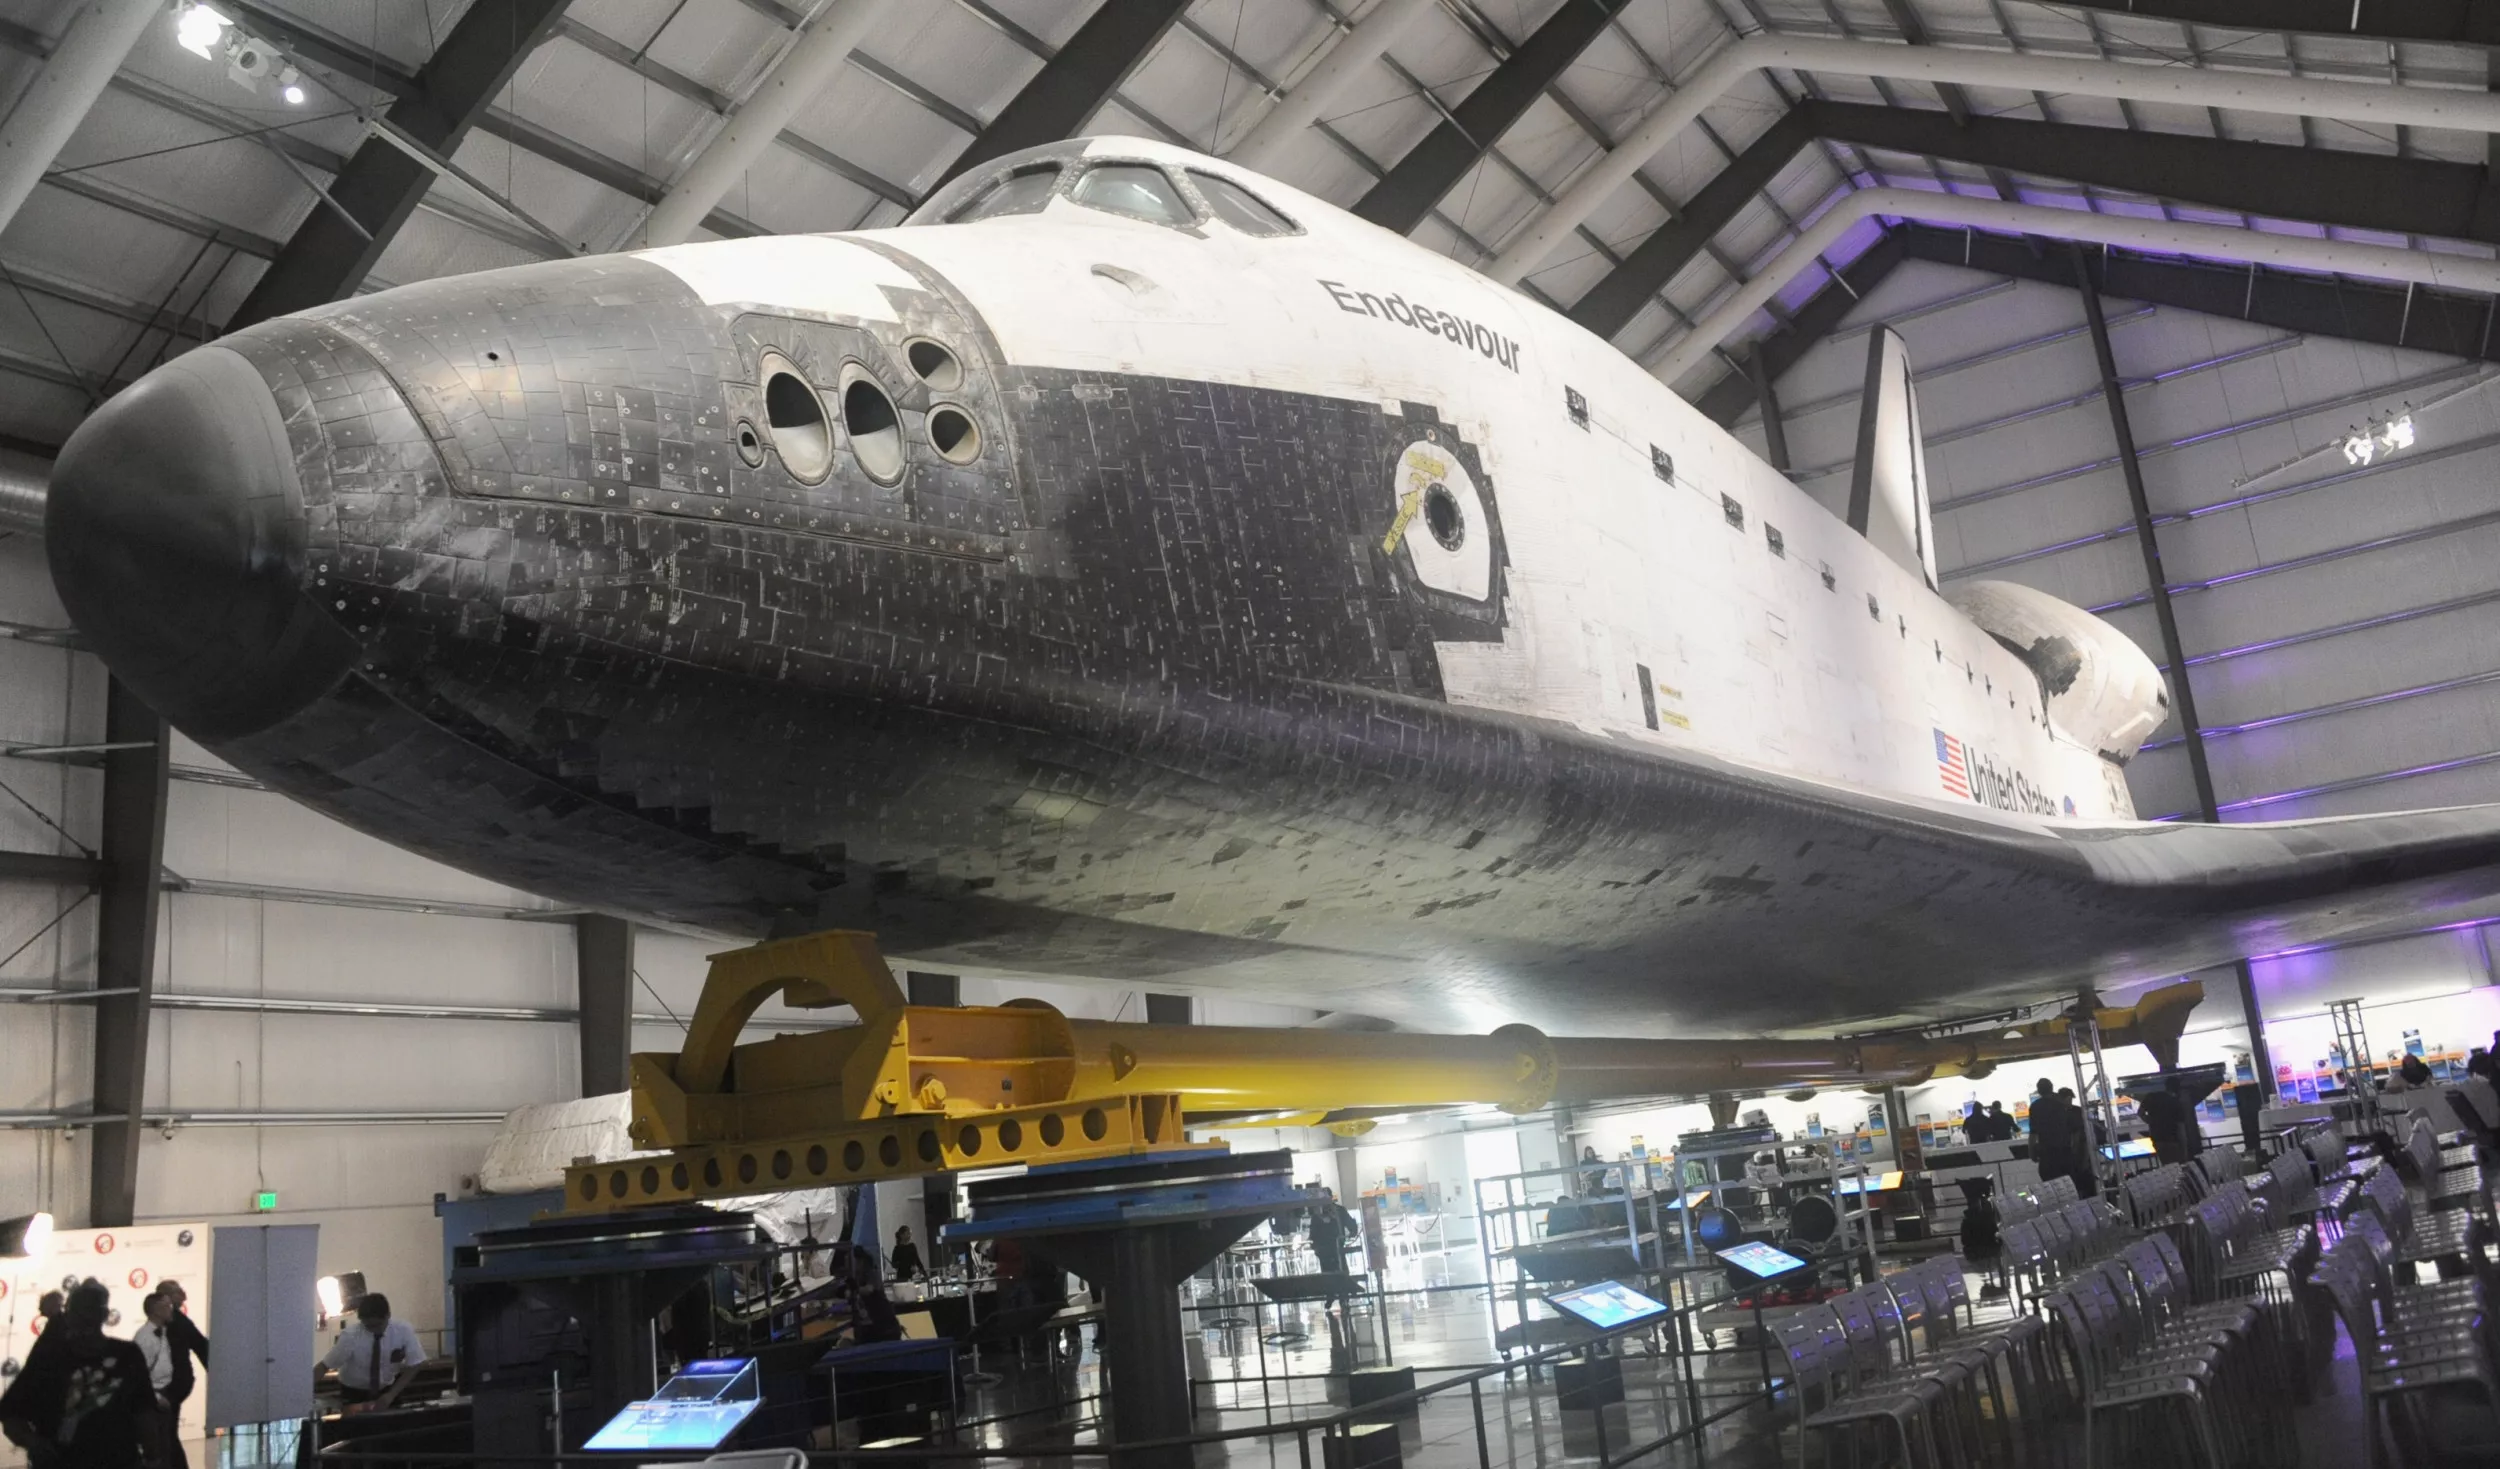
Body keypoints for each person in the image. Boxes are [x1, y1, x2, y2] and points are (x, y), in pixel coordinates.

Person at [0, 1279, 151, 1469]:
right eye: (82, 1311)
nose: (86, 1318)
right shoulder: (48, 1357)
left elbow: (144, 1412)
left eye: (90, 1311)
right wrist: (36, 1445)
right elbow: (11, 1413)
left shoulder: (127, 1355)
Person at [320, 1294, 425, 1409]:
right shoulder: (350, 1336)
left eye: (377, 1325)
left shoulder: (403, 1330)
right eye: (368, 1326)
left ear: (387, 1316)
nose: (373, 1330)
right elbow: (324, 1365)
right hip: (353, 1392)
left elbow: (416, 1363)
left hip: (387, 1389)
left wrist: (391, 1395)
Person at [134, 1293, 191, 1469]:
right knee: (156, 1450)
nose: (171, 1309)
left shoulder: (164, 1332)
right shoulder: (145, 1338)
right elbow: (138, 1376)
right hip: (152, 1399)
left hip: (164, 1394)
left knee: (166, 1447)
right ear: (156, 1310)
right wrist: (157, 1398)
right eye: (167, 1305)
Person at [2026, 1080, 2073, 1181]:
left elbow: (2033, 1133)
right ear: (2052, 1088)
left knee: (2051, 1185)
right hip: (2065, 1151)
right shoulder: (2061, 1104)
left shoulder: (2035, 1106)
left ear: (2038, 1091)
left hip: (2046, 1154)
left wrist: (2031, 1152)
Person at [1307, 1189, 1356, 1276]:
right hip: (1327, 1252)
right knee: (1335, 1277)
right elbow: (1313, 1236)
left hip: (1336, 1249)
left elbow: (1352, 1226)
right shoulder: (1317, 1215)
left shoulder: (1339, 1211)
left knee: (1338, 1276)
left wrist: (1352, 1233)